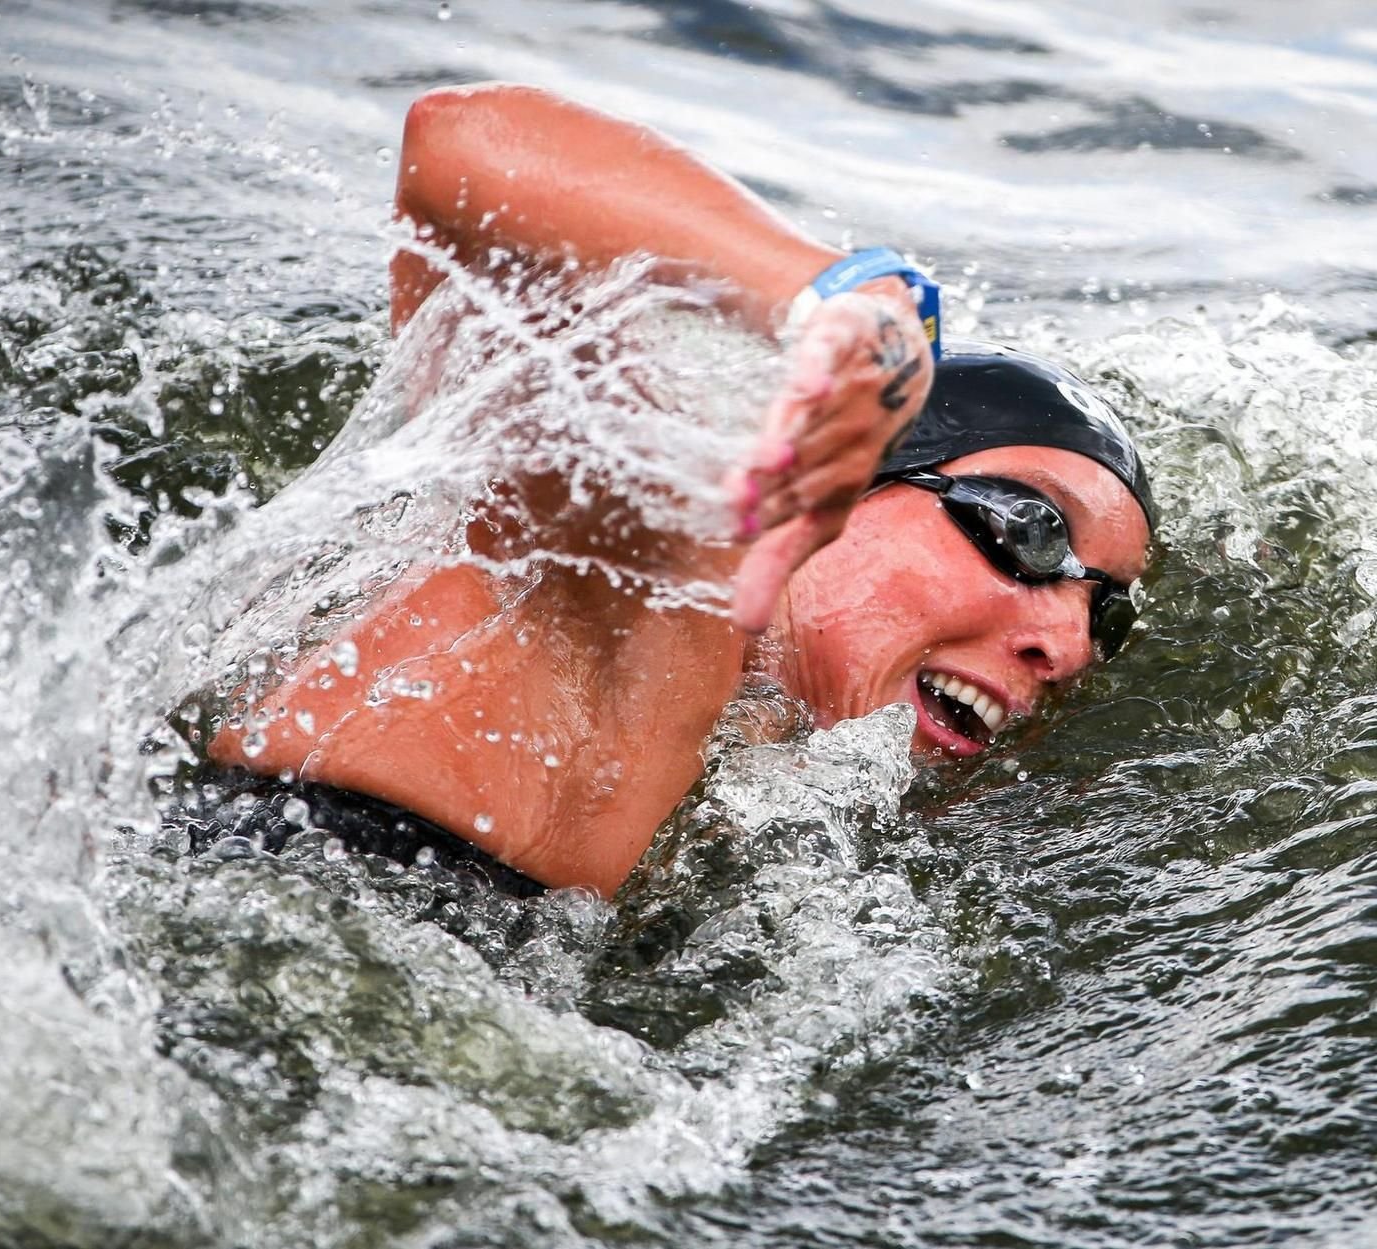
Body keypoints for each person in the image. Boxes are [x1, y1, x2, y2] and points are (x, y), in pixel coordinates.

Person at [201, 84, 1154, 896]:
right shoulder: (646, 592)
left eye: (1101, 614)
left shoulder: (747, 773)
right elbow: (459, 143)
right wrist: (856, 300)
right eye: (1026, 531)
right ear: (840, 482)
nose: (1067, 645)